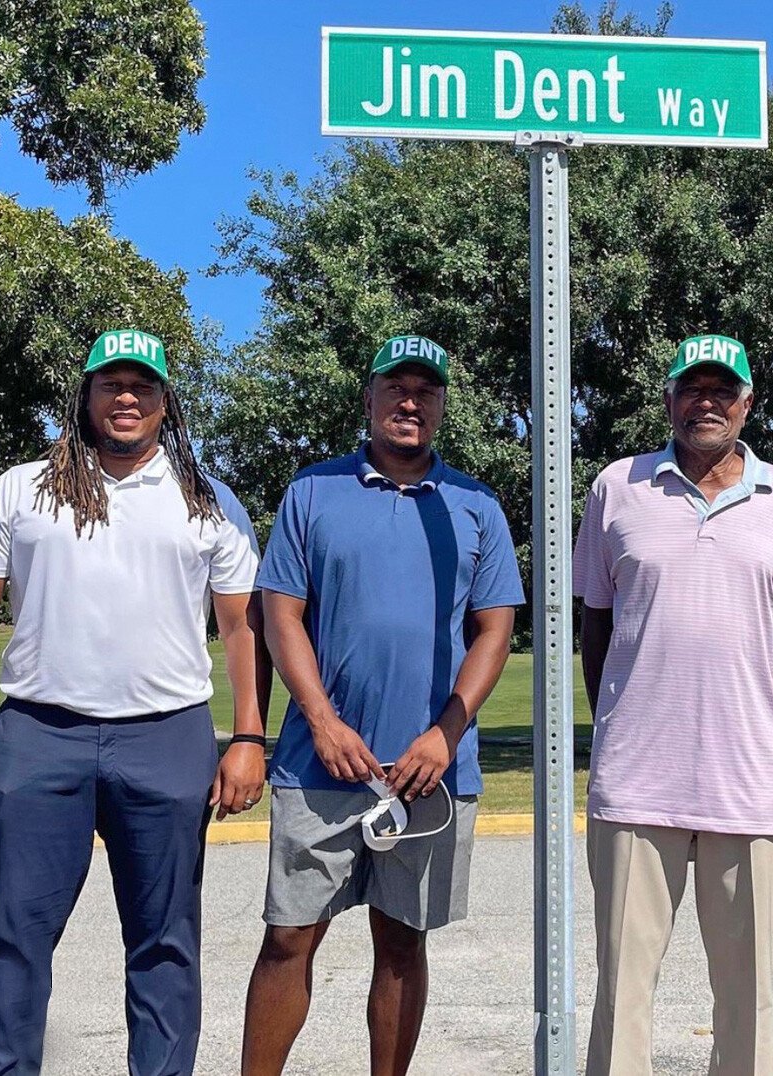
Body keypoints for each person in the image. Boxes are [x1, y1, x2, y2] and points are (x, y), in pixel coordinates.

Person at [0, 329, 268, 1075]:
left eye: (143, 386)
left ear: (166, 403)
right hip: (40, 735)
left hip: (166, 737)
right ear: (86, 394)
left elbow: (241, 627)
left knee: (164, 943)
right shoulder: (20, 489)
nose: (127, 397)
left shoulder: (208, 500)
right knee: (10, 940)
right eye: (112, 383)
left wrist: (248, 737)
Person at [241, 335, 524, 1076]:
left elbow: (494, 630)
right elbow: (281, 616)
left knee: (403, 943)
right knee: (288, 939)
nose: (409, 402)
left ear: (441, 407)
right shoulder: (312, 491)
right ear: (367, 400)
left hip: (429, 772)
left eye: (425, 391)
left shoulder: (475, 505)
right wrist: (323, 720)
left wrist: (445, 732)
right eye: (394, 388)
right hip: (319, 764)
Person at [573, 334, 773, 1076]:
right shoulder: (618, 487)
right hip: (634, 782)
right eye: (692, 389)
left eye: (722, 390)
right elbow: (595, 620)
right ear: (670, 401)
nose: (705, 402)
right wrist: (623, 711)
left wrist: (748, 682)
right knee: (621, 1000)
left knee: (749, 1003)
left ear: (747, 403)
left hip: (747, 784)